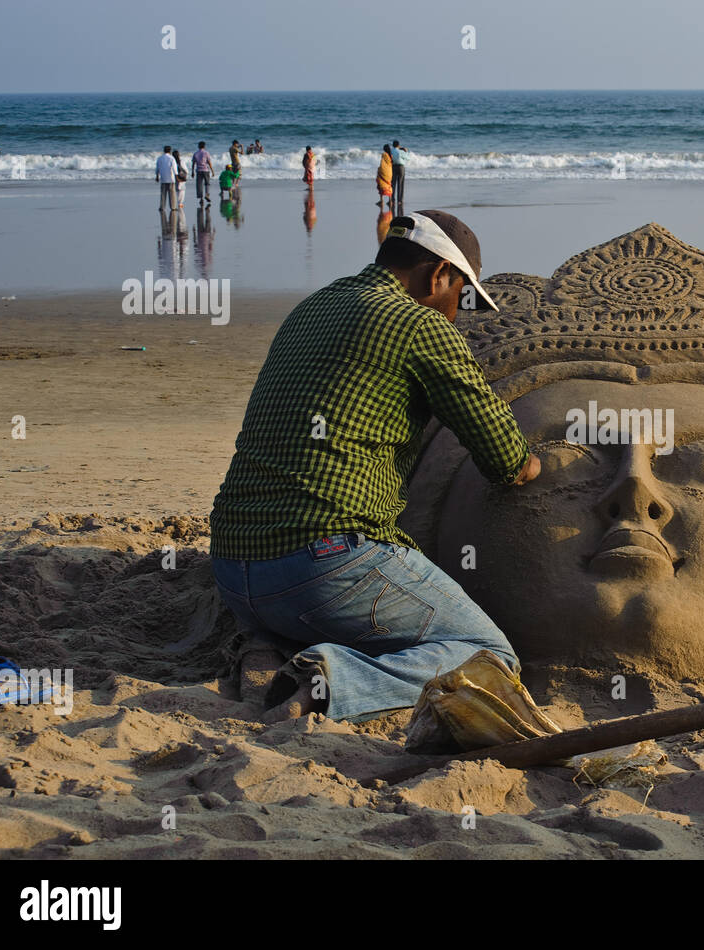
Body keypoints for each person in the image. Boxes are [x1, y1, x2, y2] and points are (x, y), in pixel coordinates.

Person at [209, 210, 542, 723]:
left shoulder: (313, 306)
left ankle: (270, 649)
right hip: (321, 568)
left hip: (235, 570)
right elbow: (505, 459)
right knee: (487, 653)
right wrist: (536, 463)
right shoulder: (420, 325)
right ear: (438, 276)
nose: (460, 313)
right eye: (463, 297)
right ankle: (330, 684)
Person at [155, 145, 177, 212]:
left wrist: (157, 176)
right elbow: (174, 169)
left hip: (163, 178)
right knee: (172, 194)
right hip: (171, 178)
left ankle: (162, 207)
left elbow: (157, 168)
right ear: (170, 151)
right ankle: (173, 207)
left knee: (163, 194)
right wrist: (176, 175)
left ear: (164, 150)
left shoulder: (160, 158)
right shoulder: (172, 158)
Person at [191, 140, 214, 205]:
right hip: (205, 170)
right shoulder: (206, 153)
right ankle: (207, 194)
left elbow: (193, 163)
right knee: (207, 183)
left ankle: (201, 198)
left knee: (199, 185)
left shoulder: (195, 153)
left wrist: (192, 172)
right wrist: (212, 171)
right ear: (204, 146)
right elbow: (209, 162)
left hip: (198, 170)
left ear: (198, 146)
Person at [376, 143, 393, 209]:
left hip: (384, 171)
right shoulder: (390, 155)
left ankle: (381, 201)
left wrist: (379, 169)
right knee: (389, 185)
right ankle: (390, 201)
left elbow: (382, 164)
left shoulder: (384, 154)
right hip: (390, 172)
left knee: (381, 185)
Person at [390, 139, 405, 211]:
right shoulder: (401, 151)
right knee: (400, 184)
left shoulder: (391, 151)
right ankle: (400, 200)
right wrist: (405, 150)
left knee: (393, 183)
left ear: (393, 145)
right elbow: (407, 158)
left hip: (393, 167)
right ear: (398, 145)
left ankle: (392, 199)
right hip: (401, 167)